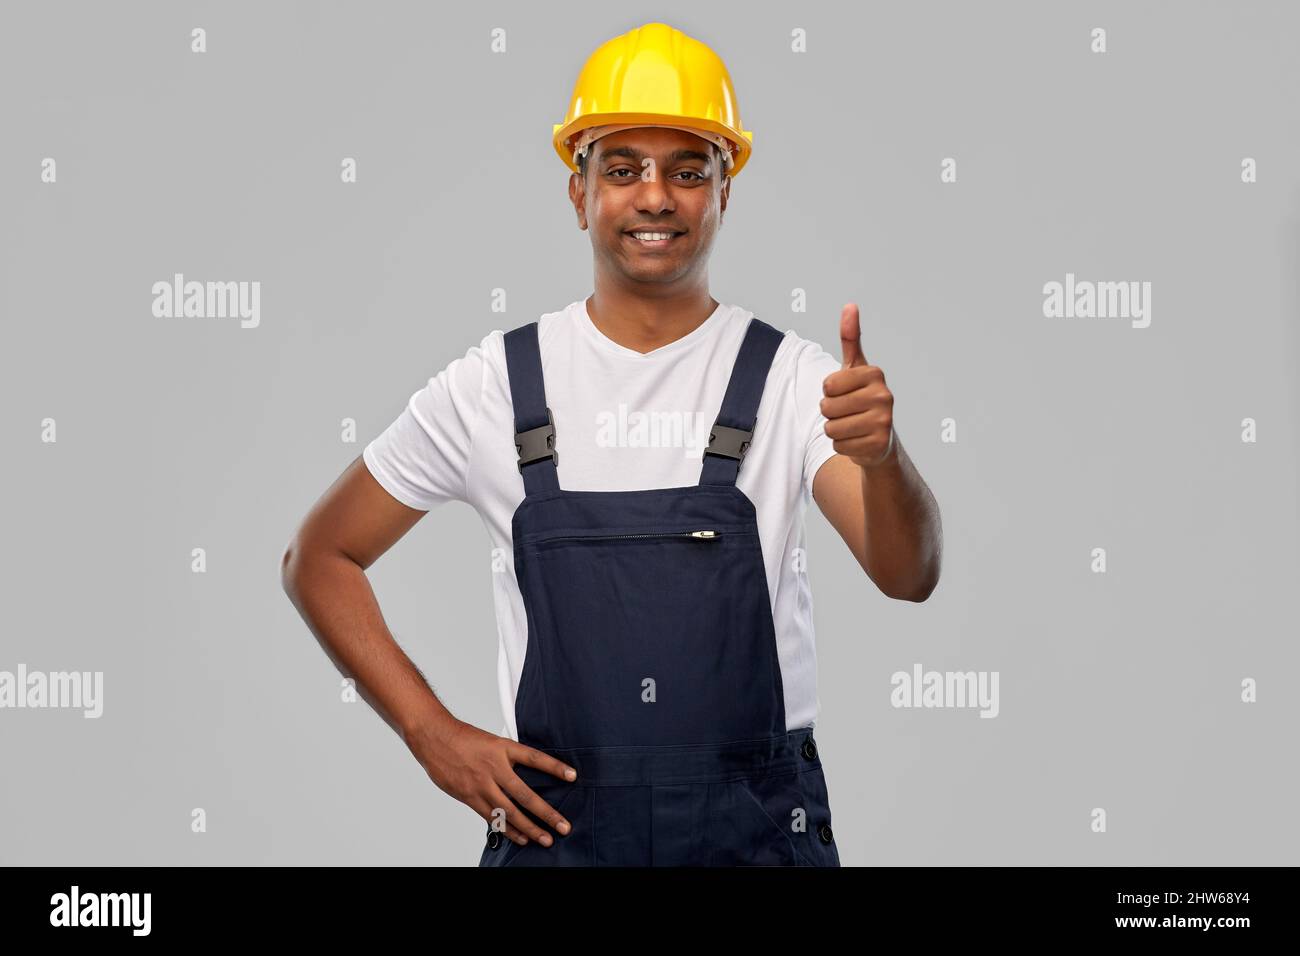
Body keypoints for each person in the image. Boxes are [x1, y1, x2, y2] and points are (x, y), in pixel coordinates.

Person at [280, 21, 942, 867]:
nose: (655, 196)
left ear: (725, 191)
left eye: (688, 170)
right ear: (578, 191)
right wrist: (430, 733)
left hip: (756, 836)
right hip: (559, 836)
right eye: (622, 168)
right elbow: (320, 557)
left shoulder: (790, 380)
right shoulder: (497, 384)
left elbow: (907, 575)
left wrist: (884, 460)